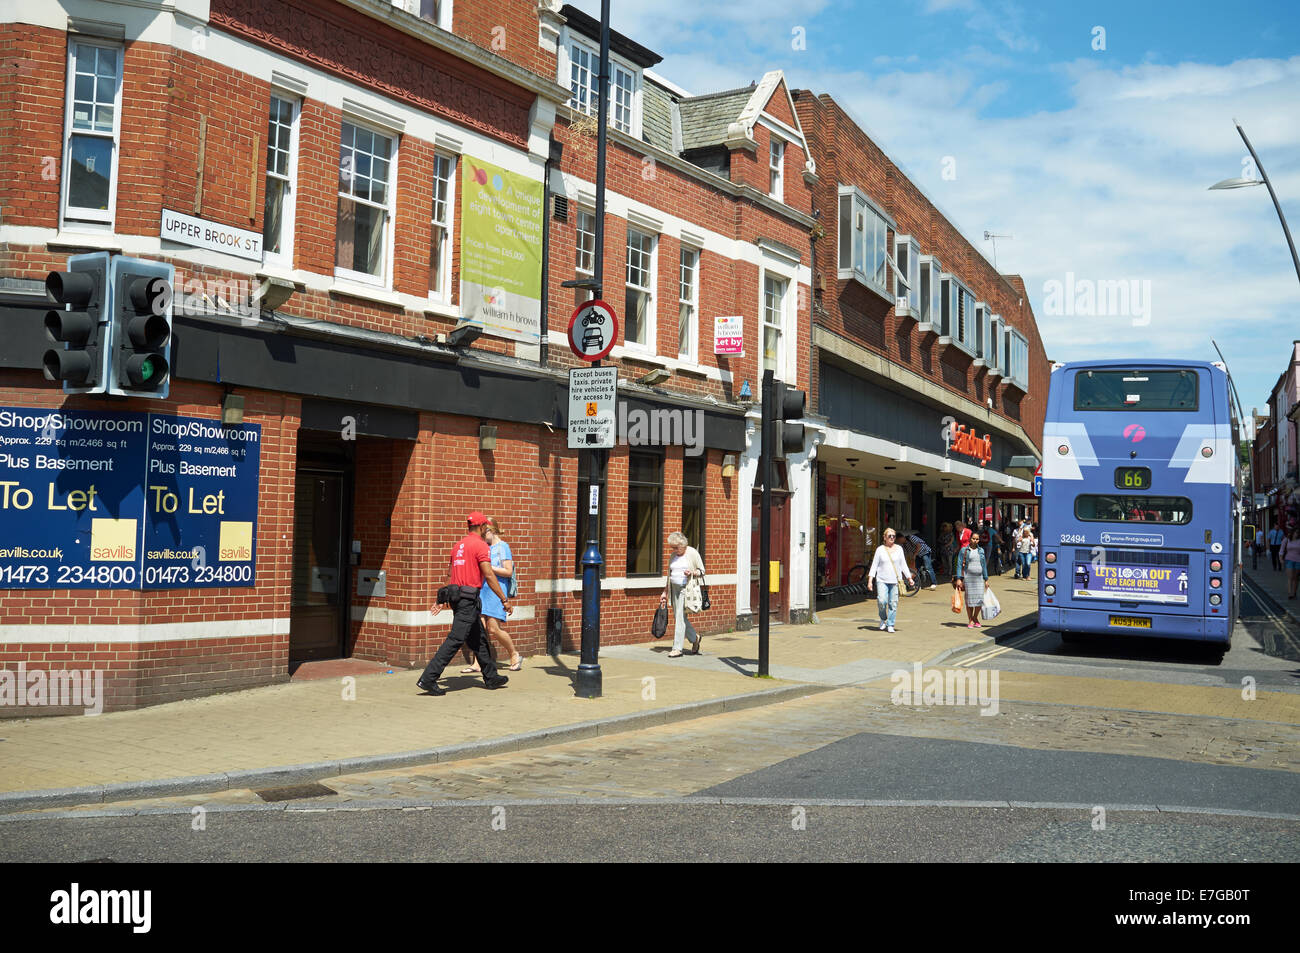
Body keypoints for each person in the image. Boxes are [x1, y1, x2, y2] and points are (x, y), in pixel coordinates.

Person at [416, 511, 510, 695]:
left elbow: (451, 575)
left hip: (459, 598)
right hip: (468, 600)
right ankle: (428, 678)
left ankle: (491, 677)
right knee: (455, 639)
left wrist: (442, 600)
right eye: (486, 527)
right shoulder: (481, 546)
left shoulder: (458, 545)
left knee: (479, 640)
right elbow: (489, 574)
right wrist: (504, 599)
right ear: (482, 527)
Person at [459, 518, 523, 674]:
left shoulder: (503, 547)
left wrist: (488, 568)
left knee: (493, 629)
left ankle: (514, 654)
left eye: (484, 531)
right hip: (482, 591)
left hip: (496, 591)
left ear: (492, 530)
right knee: (479, 629)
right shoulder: (484, 547)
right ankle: (477, 663)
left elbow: (508, 571)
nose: (482, 535)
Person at [660, 531, 706, 657]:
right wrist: (665, 592)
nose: (674, 550)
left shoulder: (692, 553)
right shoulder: (673, 556)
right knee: (679, 617)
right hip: (673, 588)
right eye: (672, 548)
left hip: (686, 589)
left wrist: (692, 572)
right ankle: (695, 638)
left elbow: (702, 571)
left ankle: (677, 648)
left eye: (676, 547)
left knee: (679, 617)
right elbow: (670, 575)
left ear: (683, 544)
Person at [868, 528, 914, 633]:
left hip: (895, 581)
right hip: (882, 580)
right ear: (884, 537)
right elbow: (874, 566)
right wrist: (870, 581)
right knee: (882, 601)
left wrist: (909, 578)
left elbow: (903, 565)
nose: (892, 538)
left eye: (894, 536)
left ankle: (890, 624)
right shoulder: (880, 549)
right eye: (890, 536)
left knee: (893, 603)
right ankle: (883, 618)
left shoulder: (899, 549)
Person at [955, 529, 989, 628]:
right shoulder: (964, 550)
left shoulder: (981, 550)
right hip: (968, 578)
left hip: (979, 578)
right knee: (969, 600)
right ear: (970, 539)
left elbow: (984, 565)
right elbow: (959, 564)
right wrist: (959, 578)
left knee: (979, 600)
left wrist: (986, 579)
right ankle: (970, 620)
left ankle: (975, 617)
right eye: (973, 538)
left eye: (977, 539)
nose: (975, 540)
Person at [1282, 527, 1300, 600]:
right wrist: (1281, 559)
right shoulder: (1287, 540)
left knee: (1296, 578)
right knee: (1290, 577)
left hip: (1298, 560)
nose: (1297, 534)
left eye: (1298, 533)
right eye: (1296, 532)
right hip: (1289, 560)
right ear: (1293, 533)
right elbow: (1282, 549)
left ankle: (1294, 592)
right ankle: (1290, 593)